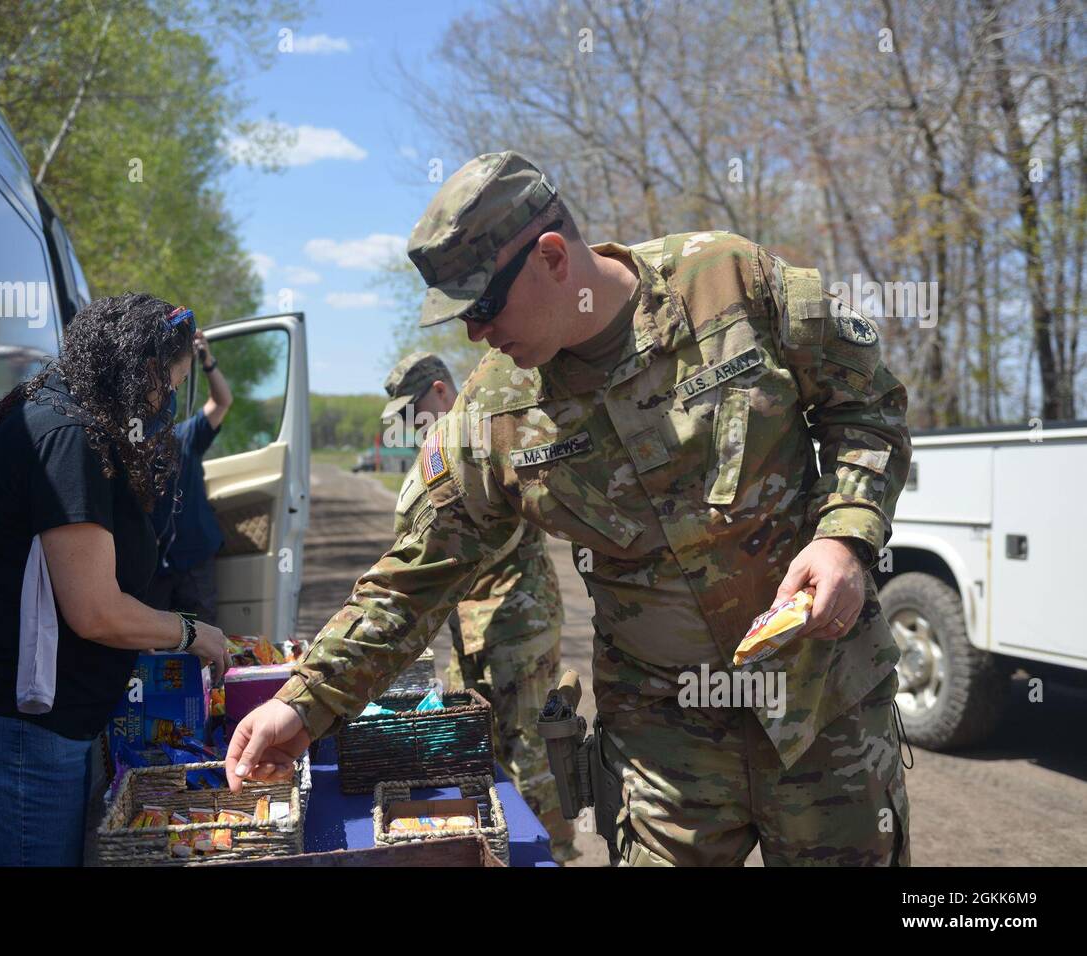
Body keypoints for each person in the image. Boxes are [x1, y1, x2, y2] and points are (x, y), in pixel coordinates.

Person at [228, 151, 913, 867]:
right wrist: (303, 704)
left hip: (825, 712)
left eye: (484, 306)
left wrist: (845, 536)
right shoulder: (493, 415)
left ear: (552, 256)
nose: (475, 335)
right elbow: (414, 576)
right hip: (667, 755)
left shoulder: (729, 281)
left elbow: (867, 406)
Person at [0, 293, 229, 866]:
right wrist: (191, 632)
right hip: (16, 732)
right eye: (169, 383)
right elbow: (95, 611)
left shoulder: (66, 421)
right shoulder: (69, 437)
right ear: (138, 369)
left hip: (34, 729)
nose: (165, 403)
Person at [381, 351, 576, 861]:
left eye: (412, 411)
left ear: (441, 392)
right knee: (471, 747)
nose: (409, 425)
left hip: (517, 621)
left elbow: (483, 542)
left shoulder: (493, 435)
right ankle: (499, 850)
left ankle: (553, 855)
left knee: (529, 753)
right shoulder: (443, 449)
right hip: (470, 625)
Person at [147, 330, 233, 623]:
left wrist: (206, 360)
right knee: (151, 642)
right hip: (151, 566)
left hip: (195, 557)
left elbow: (222, 402)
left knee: (202, 639)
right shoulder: (127, 446)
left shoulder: (185, 436)